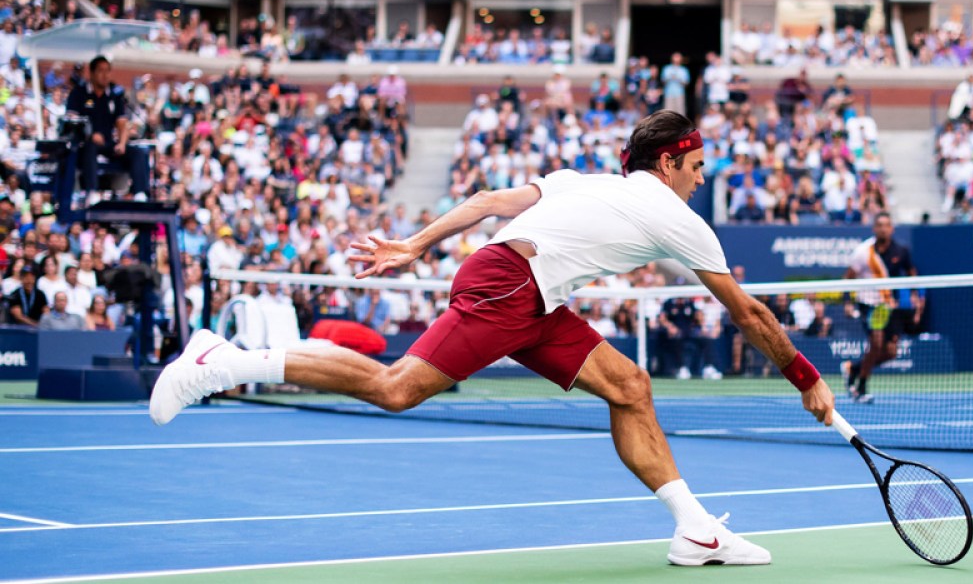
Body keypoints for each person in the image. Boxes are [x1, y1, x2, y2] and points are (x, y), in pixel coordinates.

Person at [150, 109, 835, 567]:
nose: (702, 175)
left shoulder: (580, 180)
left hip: (530, 293)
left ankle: (695, 530)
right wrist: (807, 378)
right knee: (396, 390)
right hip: (512, 284)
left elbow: (485, 204)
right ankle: (225, 360)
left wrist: (416, 244)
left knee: (629, 385)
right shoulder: (675, 214)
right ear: (665, 164)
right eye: (695, 165)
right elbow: (749, 315)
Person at [839, 212, 921, 403]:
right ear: (874, 228)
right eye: (880, 225)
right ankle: (861, 388)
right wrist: (847, 302)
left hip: (888, 305)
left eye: (887, 225)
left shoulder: (901, 251)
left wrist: (916, 296)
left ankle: (854, 369)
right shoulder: (863, 252)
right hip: (868, 303)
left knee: (891, 352)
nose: (883, 228)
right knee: (876, 343)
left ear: (891, 229)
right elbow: (848, 277)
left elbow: (911, 273)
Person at [65, 55, 149, 201]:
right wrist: (90, 135)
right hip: (85, 143)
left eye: (108, 71)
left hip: (108, 143)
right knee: (89, 147)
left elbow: (122, 123)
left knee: (138, 153)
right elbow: (71, 122)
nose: (105, 75)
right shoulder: (78, 93)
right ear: (91, 73)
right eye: (101, 71)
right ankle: (92, 192)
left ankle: (140, 193)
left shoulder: (115, 95)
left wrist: (122, 143)